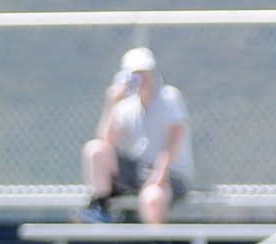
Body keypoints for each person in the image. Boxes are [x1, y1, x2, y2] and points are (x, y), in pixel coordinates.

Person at [80, 47, 193, 226]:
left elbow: (175, 136)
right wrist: (112, 104)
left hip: (170, 174)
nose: (143, 79)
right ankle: (100, 208)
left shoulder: (169, 98)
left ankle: (156, 240)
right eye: (137, 74)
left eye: (146, 73)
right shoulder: (127, 106)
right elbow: (107, 142)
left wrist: (160, 172)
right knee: (95, 150)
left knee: (153, 198)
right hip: (139, 172)